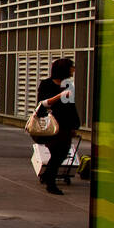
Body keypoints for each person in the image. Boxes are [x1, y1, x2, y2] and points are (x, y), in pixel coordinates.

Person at [35, 57, 79, 195]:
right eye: (71, 66)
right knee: (56, 152)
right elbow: (43, 103)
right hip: (50, 124)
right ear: (64, 69)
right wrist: (60, 96)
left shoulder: (67, 84)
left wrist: (74, 125)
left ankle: (49, 176)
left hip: (65, 124)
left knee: (63, 152)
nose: (73, 69)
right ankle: (50, 182)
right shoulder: (47, 84)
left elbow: (71, 106)